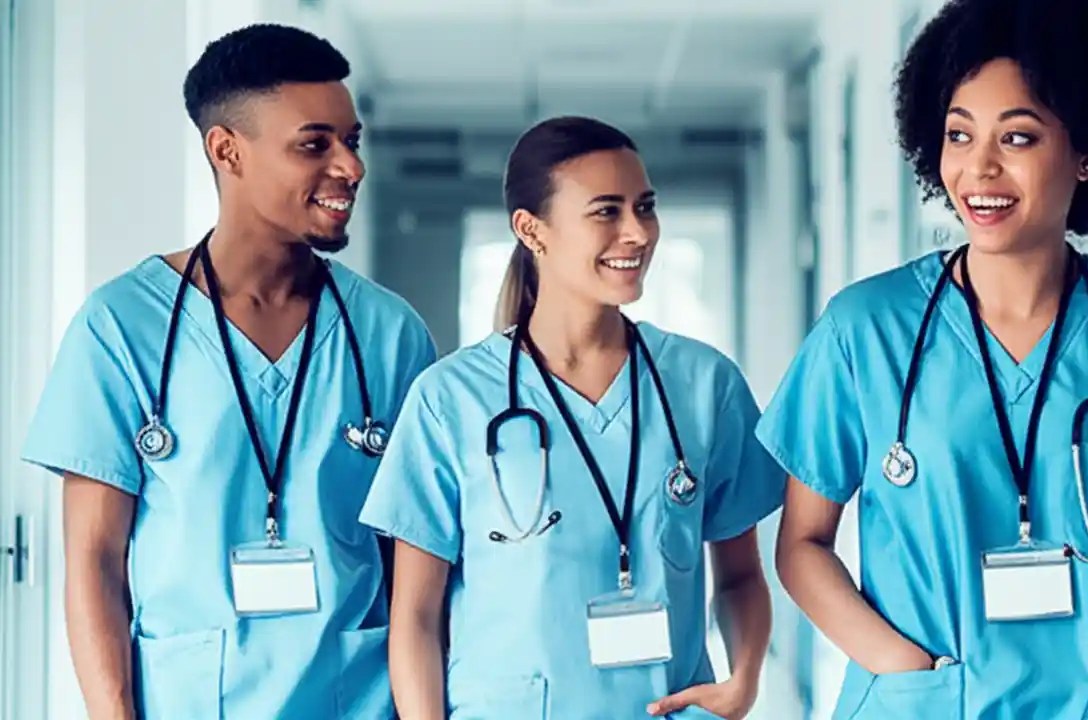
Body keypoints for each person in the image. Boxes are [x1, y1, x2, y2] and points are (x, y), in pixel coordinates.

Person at [757, 1, 1088, 718]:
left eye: (1019, 137)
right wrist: (906, 671)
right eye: (959, 134)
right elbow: (803, 545)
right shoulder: (864, 330)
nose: (979, 169)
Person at [20, 23, 436, 719]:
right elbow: (94, 561)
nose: (351, 167)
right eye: (315, 144)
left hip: (356, 702)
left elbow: (418, 573)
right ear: (226, 150)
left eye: (351, 141)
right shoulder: (123, 326)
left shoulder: (389, 335)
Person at [358, 116, 784, 720]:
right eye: (606, 211)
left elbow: (740, 576)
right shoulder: (450, 400)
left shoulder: (702, 384)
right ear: (532, 231)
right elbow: (416, 619)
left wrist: (743, 681)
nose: (637, 232)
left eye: (645, 207)